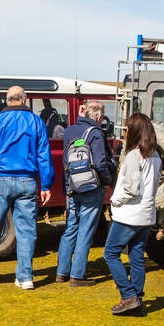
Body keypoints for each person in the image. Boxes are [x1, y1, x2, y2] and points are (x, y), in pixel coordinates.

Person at [0, 85, 54, 290]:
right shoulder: (36, 122)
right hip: (28, 180)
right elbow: (44, 155)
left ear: (7, 101)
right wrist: (47, 184)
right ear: (24, 100)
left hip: (0, 180)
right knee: (26, 230)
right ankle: (25, 277)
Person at [104, 112, 161, 315]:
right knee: (136, 256)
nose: (125, 132)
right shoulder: (155, 156)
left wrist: (114, 200)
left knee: (110, 253)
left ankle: (128, 295)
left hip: (130, 214)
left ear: (134, 131)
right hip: (147, 214)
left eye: (127, 128)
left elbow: (131, 189)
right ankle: (137, 300)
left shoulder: (133, 156)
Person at [56, 100, 113, 286]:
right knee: (85, 230)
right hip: (91, 188)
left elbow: (66, 160)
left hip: (72, 186)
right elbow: (100, 162)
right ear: (98, 117)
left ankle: (61, 273)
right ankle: (77, 276)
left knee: (70, 229)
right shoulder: (96, 133)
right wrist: (107, 182)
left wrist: (67, 186)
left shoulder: (70, 131)